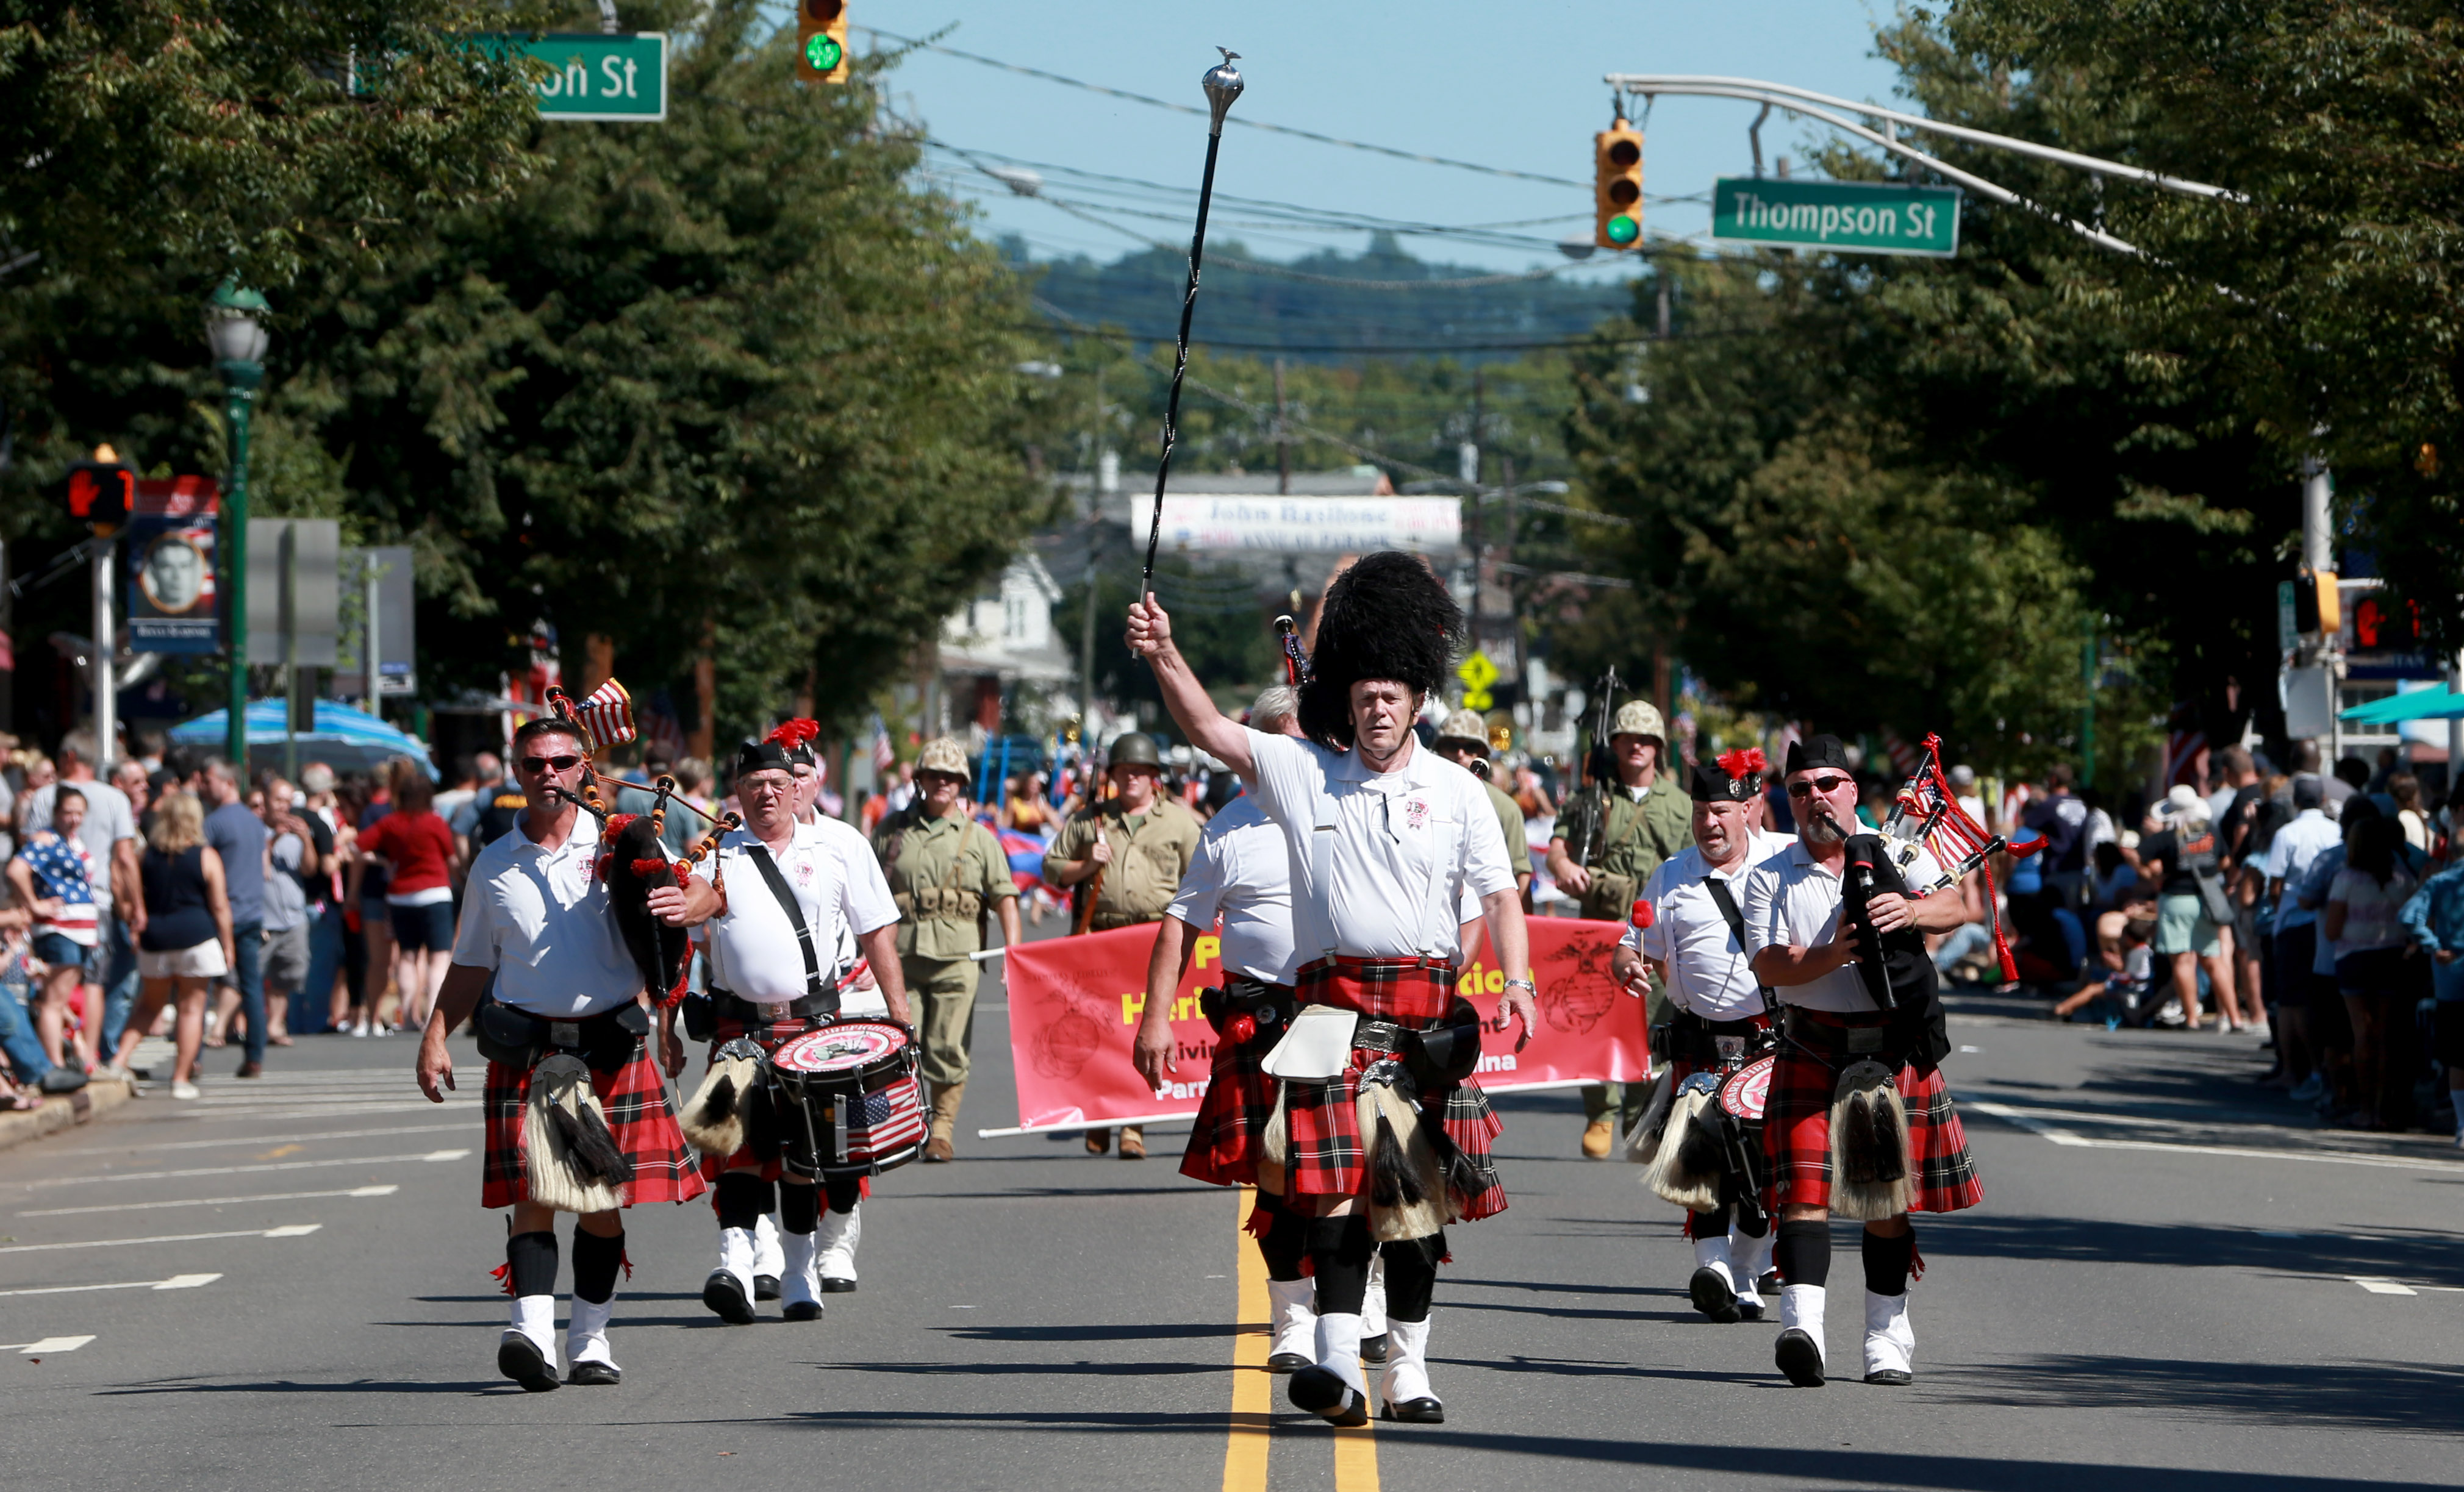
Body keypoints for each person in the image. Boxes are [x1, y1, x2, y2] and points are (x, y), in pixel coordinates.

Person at [1128, 550, 1538, 1428]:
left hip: (1426, 1017)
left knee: (1419, 1206)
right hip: (1335, 1016)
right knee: (1337, 1195)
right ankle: (1337, 1364)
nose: (1377, 706)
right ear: (1345, 701)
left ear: (1418, 698)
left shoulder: (1459, 791)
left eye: (1391, 693)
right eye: (1363, 695)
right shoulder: (1303, 773)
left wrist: (1523, 979)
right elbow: (1210, 729)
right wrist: (1164, 650)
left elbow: (1501, 893)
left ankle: (1409, 1370)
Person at [415, 715, 705, 1392]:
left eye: (561, 761)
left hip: (608, 1042)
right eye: (532, 764)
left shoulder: (622, 844)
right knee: (532, 1194)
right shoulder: (493, 862)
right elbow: (469, 961)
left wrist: (689, 905)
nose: (547, 773)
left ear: (585, 769)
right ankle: (531, 1333)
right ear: (515, 775)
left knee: (601, 1203)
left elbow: (695, 899)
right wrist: (434, 1034)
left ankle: (591, 1338)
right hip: (526, 1047)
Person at [1134, 685, 1369, 1374]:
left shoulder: (1347, 809)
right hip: (1262, 1018)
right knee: (1274, 1171)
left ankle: (1367, 1295)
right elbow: (1179, 926)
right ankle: (1292, 1314)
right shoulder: (1228, 829)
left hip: (1345, 1012)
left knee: (1359, 1166)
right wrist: (1154, 1018)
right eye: (1287, 742)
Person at [1741, 734, 1983, 1388]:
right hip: (1811, 1042)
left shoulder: (1897, 851)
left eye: (1826, 783)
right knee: (1802, 1196)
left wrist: (1907, 907)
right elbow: (1767, 961)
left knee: (1883, 1205)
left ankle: (1885, 1337)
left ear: (1851, 790)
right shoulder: (1768, 873)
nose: (1814, 797)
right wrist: (1835, 953)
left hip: (1889, 1047)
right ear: (1786, 799)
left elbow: (1956, 905)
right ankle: (1802, 1329)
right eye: (1799, 788)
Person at [657, 734, 911, 1322]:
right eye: (753, 787)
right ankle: (735, 1263)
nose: (766, 795)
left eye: (776, 785)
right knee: (735, 1150)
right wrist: (677, 903)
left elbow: (877, 933)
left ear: (798, 788)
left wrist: (899, 1011)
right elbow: (693, 908)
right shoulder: (717, 853)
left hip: (815, 1028)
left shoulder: (836, 849)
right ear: (738, 794)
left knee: (804, 1158)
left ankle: (800, 1272)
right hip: (738, 1030)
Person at [1613, 749, 1792, 1324]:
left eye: (1720, 811)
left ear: (1750, 810)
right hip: (1700, 1039)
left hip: (1771, 1040)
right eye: (1700, 812)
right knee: (1704, 1154)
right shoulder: (1673, 874)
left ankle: (1743, 1268)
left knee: (1766, 1170)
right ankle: (1714, 1268)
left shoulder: (1786, 861)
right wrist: (1627, 962)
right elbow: (1632, 944)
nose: (1709, 823)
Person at [1042, 730, 1201, 1158]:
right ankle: (1101, 1117)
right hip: (1100, 941)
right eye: (1123, 771)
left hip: (1155, 941)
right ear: (1111, 775)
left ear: (1155, 777)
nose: (1131, 778)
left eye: (1140, 771)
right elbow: (1052, 870)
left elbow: (1205, 877)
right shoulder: (1089, 819)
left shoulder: (1180, 823)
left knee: (1144, 1031)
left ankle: (1134, 1125)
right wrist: (1086, 863)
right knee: (1098, 1035)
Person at [1545, 699, 1689, 1158]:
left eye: (1647, 739)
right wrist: (1564, 865)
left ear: (1659, 747)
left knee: (1653, 1023)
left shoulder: (1683, 805)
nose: (1637, 747)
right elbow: (1557, 848)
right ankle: (1601, 1113)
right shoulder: (1591, 798)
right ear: (1616, 744)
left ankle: (1638, 1114)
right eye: (1629, 738)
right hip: (1599, 926)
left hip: (1657, 932)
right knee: (1594, 1017)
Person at [876, 737, 1023, 1162]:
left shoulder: (979, 838)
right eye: (934, 775)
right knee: (905, 1043)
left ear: (962, 784)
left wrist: (1014, 957)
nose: (942, 783)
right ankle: (908, 1124)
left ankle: (941, 1127)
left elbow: (1005, 897)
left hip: (959, 956)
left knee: (947, 1044)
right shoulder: (892, 830)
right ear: (920, 779)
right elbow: (865, 890)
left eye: (951, 777)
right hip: (901, 955)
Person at [109, 790, 235, 1101]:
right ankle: (180, 1078)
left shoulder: (145, 855)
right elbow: (219, 906)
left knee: (149, 1006)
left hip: (156, 937)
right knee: (192, 1010)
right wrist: (228, 944)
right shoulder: (205, 856)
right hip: (196, 937)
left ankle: (117, 1062)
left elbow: (129, 892)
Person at [2324, 812, 2421, 1130]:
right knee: (2386, 1036)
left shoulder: (2346, 878)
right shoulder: (2402, 878)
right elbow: (2414, 923)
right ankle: (2384, 1107)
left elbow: (2332, 930)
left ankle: (2364, 1108)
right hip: (2392, 958)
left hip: (2354, 959)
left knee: (2362, 1034)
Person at [357, 763, 459, 1034]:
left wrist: (384, 862)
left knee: (407, 956)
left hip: (400, 897)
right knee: (438, 957)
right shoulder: (435, 822)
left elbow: (356, 847)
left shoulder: (391, 823)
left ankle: (409, 1017)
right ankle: (432, 1016)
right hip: (435, 893)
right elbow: (452, 858)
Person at [6, 789, 101, 1082]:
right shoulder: (46, 840)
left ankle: (61, 1063)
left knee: (58, 1000)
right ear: (56, 813)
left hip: (79, 929)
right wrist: (34, 904)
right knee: (54, 1001)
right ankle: (55, 1067)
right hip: (61, 928)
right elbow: (16, 869)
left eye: (79, 813)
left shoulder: (71, 841)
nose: (74, 819)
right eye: (67, 813)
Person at [2262, 776, 2344, 1096]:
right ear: (2323, 799)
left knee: (2290, 1001)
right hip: (2329, 923)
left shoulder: (2287, 834)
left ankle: (2296, 1069)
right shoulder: (2335, 831)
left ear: (2296, 801)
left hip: (2295, 921)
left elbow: (2275, 886)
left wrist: (2280, 908)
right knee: (2322, 996)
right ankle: (2318, 1068)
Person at [2136, 786, 2240, 1031]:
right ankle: (2235, 1017)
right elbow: (2226, 861)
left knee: (2183, 961)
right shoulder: (2211, 832)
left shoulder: (2167, 836)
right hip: (2207, 900)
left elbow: (2140, 856)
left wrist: (2151, 873)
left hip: (2176, 898)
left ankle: (2191, 1018)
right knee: (2213, 960)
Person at [196, 758, 271, 1076]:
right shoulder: (255, 822)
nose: (203, 785)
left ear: (227, 782)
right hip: (252, 913)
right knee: (251, 986)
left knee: (200, 988)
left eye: (208, 779)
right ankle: (254, 1055)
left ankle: (194, 1057)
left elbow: (201, 868)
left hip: (221, 915)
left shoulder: (214, 823)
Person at [2398, 842, 2464, 1146]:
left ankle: (2463, 1125)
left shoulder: (2440, 882)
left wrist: (2433, 944)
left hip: (2451, 975)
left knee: (2457, 1057)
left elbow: (2409, 917)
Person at [1433, 710, 1534, 905]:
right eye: (1451, 745)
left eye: (1470, 747)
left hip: (1486, 916)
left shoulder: (1506, 809)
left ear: (1483, 753)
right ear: (1439, 749)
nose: (1460, 754)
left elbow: (1521, 875)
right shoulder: (1419, 796)